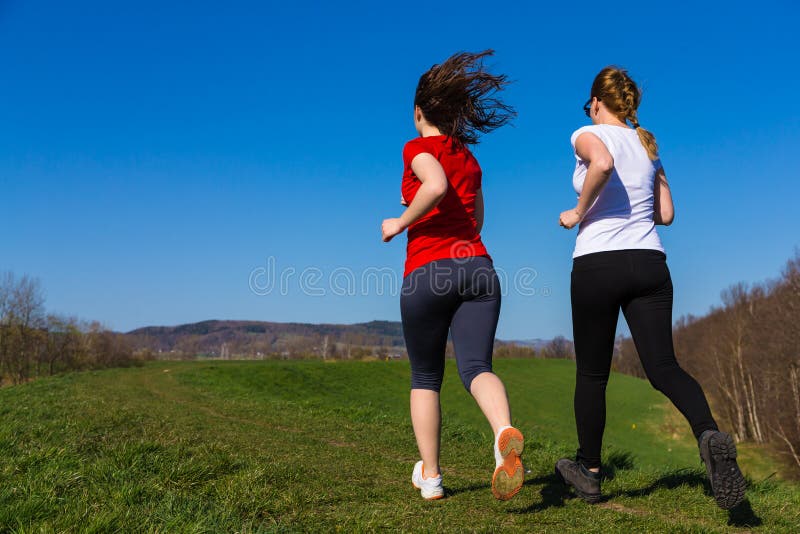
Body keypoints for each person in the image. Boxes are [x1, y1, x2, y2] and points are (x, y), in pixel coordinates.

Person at [554, 66, 746, 510]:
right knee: (663, 367)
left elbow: (601, 163)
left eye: (591, 106)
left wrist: (579, 212)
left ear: (597, 103)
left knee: (592, 374)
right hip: (650, 263)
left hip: (598, 264)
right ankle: (709, 435)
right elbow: (666, 213)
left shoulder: (586, 133)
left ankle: (590, 471)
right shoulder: (647, 145)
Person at [381, 50, 524, 501]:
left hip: (427, 271)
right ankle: (503, 434)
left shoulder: (416, 148)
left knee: (425, 377)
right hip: (478, 268)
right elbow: (476, 221)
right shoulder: (471, 159)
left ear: (419, 111)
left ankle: (432, 477)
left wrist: (400, 222)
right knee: (477, 366)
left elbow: (436, 185)